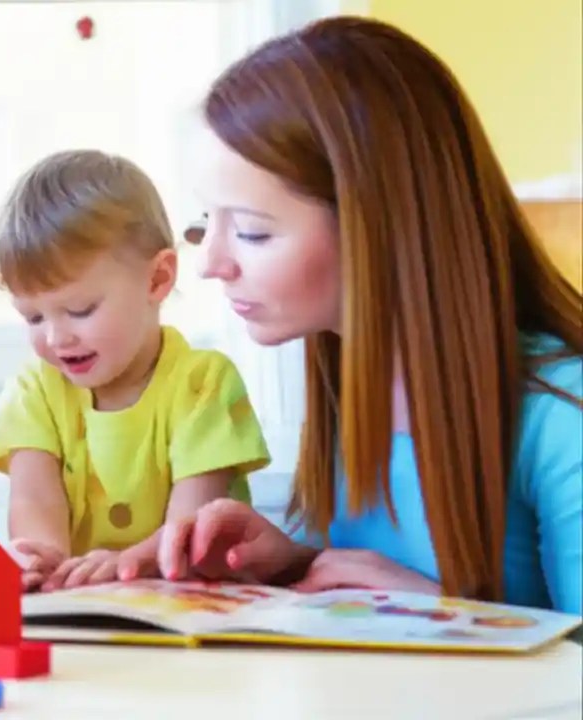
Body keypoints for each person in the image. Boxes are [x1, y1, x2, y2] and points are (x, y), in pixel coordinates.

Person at [149, 16, 582, 614]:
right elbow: (374, 586)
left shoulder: (562, 414)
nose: (212, 262)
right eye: (206, 223)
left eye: (251, 231)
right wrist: (293, 563)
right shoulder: (347, 385)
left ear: (375, 229)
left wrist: (452, 615)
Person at [0, 150, 271, 592]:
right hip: (90, 606)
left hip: (192, 599)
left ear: (157, 280)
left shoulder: (203, 382)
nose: (57, 339)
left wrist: (127, 564)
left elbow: (192, 528)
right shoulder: (34, 390)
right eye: (33, 318)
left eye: (80, 310)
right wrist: (42, 560)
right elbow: (34, 499)